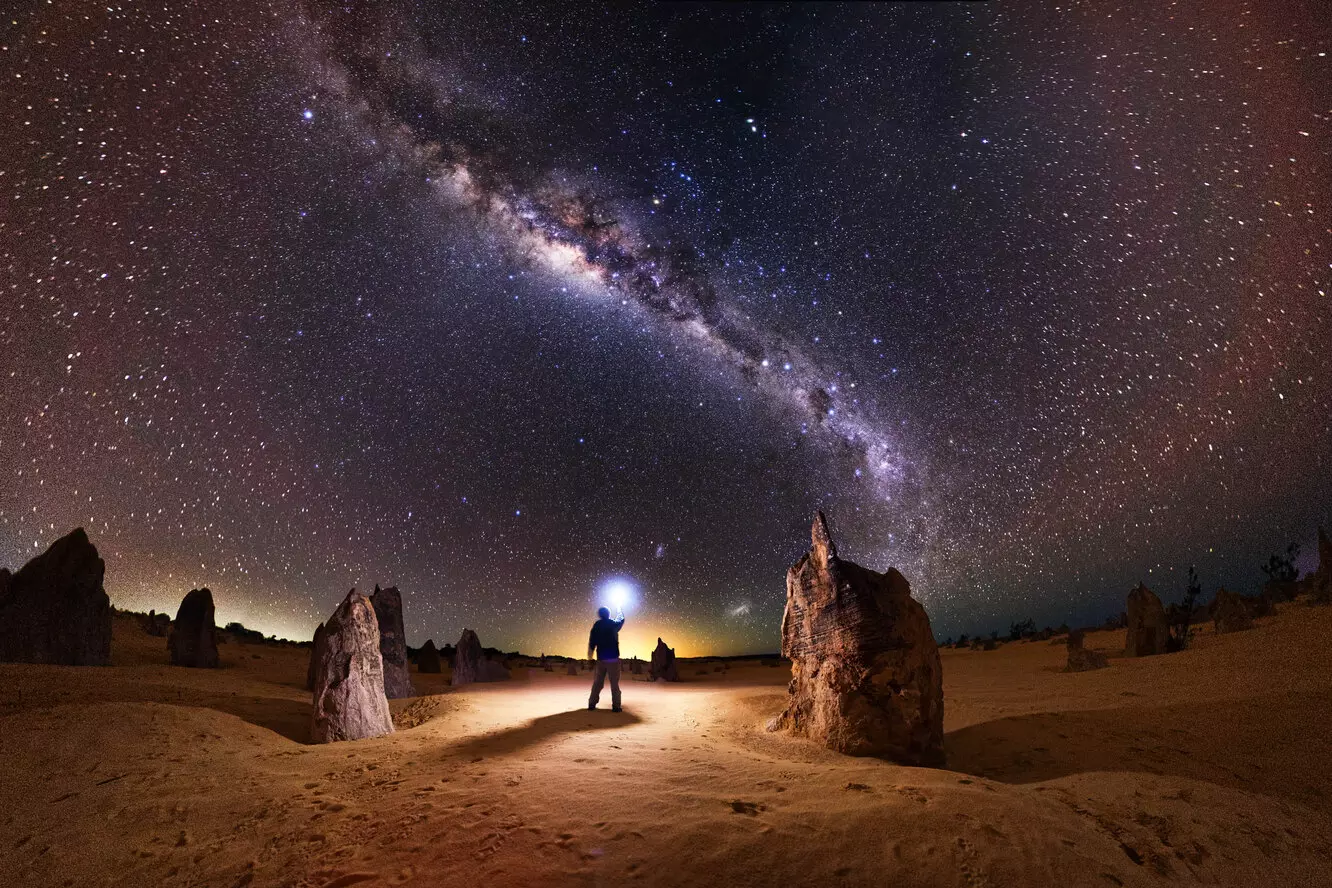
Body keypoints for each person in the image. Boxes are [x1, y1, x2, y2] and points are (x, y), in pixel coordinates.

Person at [587, 605, 625, 712]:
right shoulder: (611, 623)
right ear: (608, 614)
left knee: (597, 683)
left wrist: (590, 658)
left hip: (601, 660)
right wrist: (619, 610)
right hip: (613, 659)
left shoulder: (596, 626)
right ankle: (616, 706)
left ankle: (591, 704)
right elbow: (620, 621)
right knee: (614, 684)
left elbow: (591, 644)